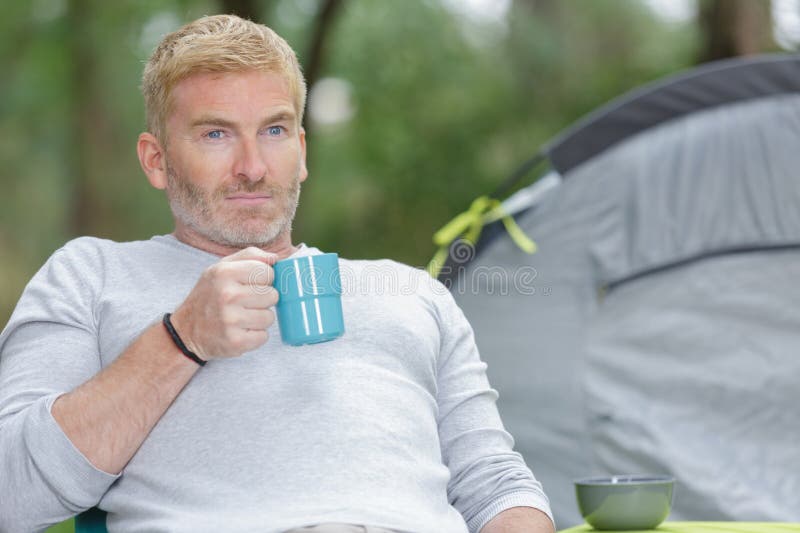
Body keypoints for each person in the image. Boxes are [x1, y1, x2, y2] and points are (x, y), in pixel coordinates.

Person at [0, 14, 554, 533]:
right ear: (156, 160)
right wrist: (181, 338)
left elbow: (495, 485)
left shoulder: (413, 293)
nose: (253, 167)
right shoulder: (89, 276)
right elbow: (10, 495)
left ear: (302, 150)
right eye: (216, 134)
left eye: (274, 130)